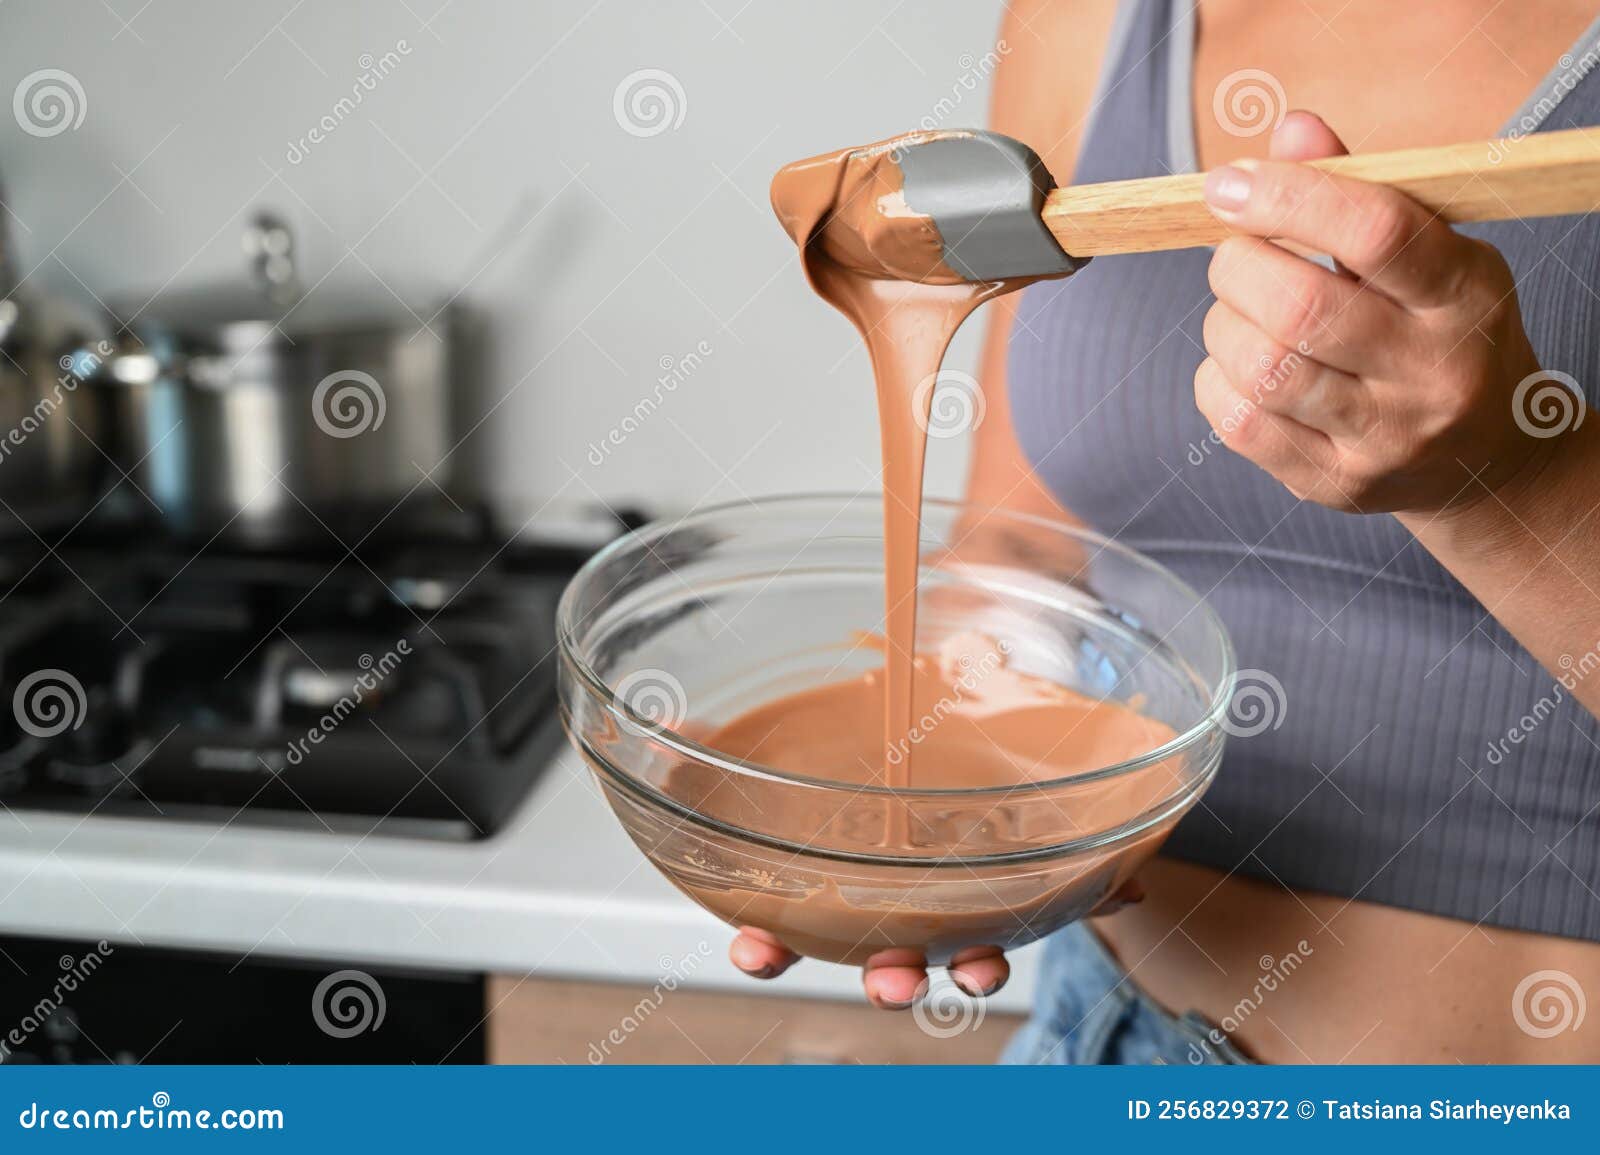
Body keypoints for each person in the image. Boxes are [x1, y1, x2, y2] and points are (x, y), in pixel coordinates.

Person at [730, 0, 1600, 1064]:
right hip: (1106, 1043)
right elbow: (1025, 545)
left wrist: (1510, 487)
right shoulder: (1082, 17)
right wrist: (930, 805)